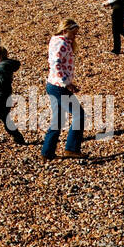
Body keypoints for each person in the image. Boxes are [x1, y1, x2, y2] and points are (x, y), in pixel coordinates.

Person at [41, 19, 85, 161]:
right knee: (79, 115)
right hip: (59, 87)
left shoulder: (55, 40)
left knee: (58, 120)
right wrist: (66, 83)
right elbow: (56, 64)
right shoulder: (62, 43)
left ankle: (47, 152)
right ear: (65, 31)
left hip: (53, 85)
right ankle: (72, 149)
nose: (74, 36)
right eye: (73, 33)